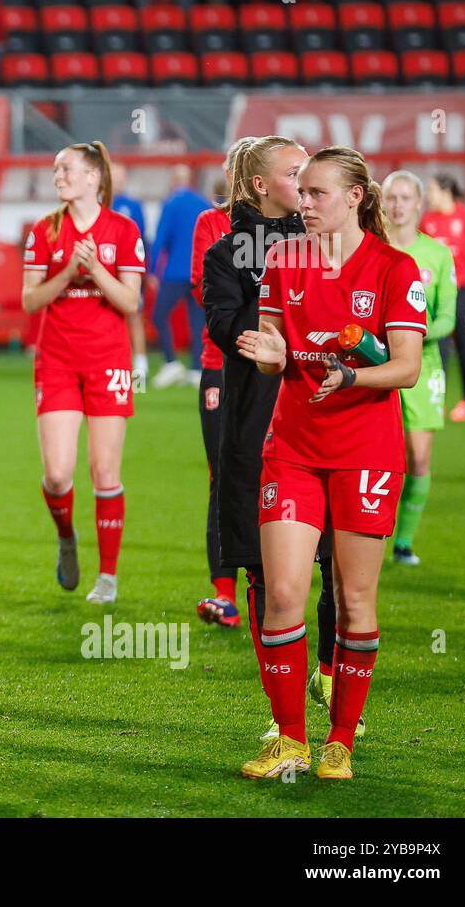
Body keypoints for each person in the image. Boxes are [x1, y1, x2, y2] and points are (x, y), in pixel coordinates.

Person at [236, 146, 425, 780]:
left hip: (366, 453)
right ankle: (289, 738)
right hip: (291, 445)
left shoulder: (395, 268)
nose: (304, 204)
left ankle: (339, 739)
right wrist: (267, 351)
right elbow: (276, 355)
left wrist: (349, 376)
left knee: (353, 600)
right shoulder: (284, 261)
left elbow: (406, 366)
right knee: (284, 592)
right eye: (301, 192)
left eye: (317, 194)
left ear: (355, 197)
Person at [204, 136, 346, 744]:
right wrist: (289, 330)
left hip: (335, 422)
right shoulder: (226, 255)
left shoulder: (332, 243)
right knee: (268, 574)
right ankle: (282, 712)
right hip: (261, 427)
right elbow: (233, 328)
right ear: (261, 185)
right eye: (295, 173)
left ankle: (333, 675)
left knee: (341, 569)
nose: (305, 181)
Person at [23, 142, 145, 605]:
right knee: (56, 474)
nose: (58, 175)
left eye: (67, 168)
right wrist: (69, 270)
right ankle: (67, 537)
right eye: (55, 168)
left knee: (104, 470)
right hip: (55, 359)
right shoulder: (45, 230)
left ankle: (108, 577)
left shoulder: (124, 229)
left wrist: (95, 269)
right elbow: (31, 300)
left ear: (94, 177)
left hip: (108, 360)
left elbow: (131, 302)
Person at [382, 171, 457, 565]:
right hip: (377, 365)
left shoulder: (438, 255)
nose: (397, 205)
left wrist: (411, 334)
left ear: (418, 204)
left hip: (423, 368)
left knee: (418, 459)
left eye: (406, 197)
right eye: (391, 197)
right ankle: (373, 531)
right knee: (377, 456)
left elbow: (447, 318)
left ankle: (404, 542)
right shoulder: (372, 249)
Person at [192, 139, 253, 626]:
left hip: (285, 370)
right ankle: (224, 593)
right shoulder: (211, 223)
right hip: (222, 365)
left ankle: (279, 583)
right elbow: (202, 290)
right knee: (222, 475)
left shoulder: (297, 229)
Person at [420, 174, 465, 422]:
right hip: (439, 295)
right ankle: (436, 397)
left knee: (464, 346)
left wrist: (459, 278)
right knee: (437, 346)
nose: (428, 195)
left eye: (431, 190)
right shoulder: (427, 221)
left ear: (446, 191)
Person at [150, 166, 211, 388]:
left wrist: (153, 271)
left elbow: (161, 238)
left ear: (174, 180)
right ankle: (197, 368)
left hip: (175, 271)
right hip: (200, 272)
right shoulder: (204, 203)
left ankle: (171, 362)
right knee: (198, 321)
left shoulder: (171, 203)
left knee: (158, 315)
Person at [110, 161, 150, 384]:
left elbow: (142, 239)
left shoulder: (133, 205)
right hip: (105, 271)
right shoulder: (100, 203)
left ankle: (140, 368)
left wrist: (145, 270)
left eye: (119, 176)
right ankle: (112, 366)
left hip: (129, 270)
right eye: (113, 176)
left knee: (135, 315)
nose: (116, 180)